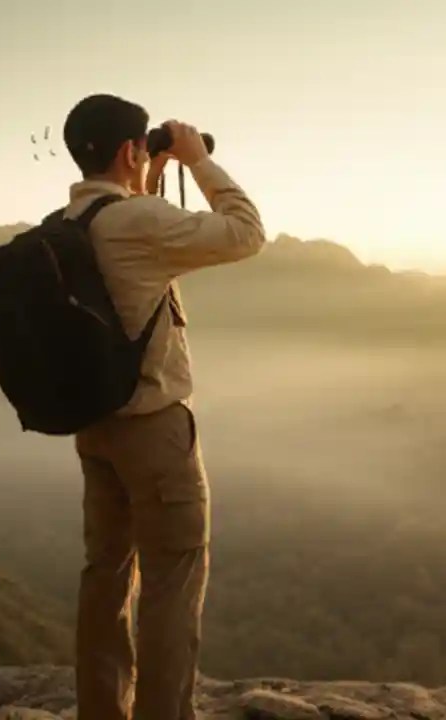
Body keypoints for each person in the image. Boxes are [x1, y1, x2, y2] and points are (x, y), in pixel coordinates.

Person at [59, 93, 266, 720]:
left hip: (95, 427)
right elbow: (246, 232)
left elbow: (133, 228)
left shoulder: (70, 224)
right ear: (129, 151)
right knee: (171, 588)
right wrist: (197, 161)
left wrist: (146, 174)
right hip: (155, 432)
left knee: (106, 578)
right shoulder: (139, 224)